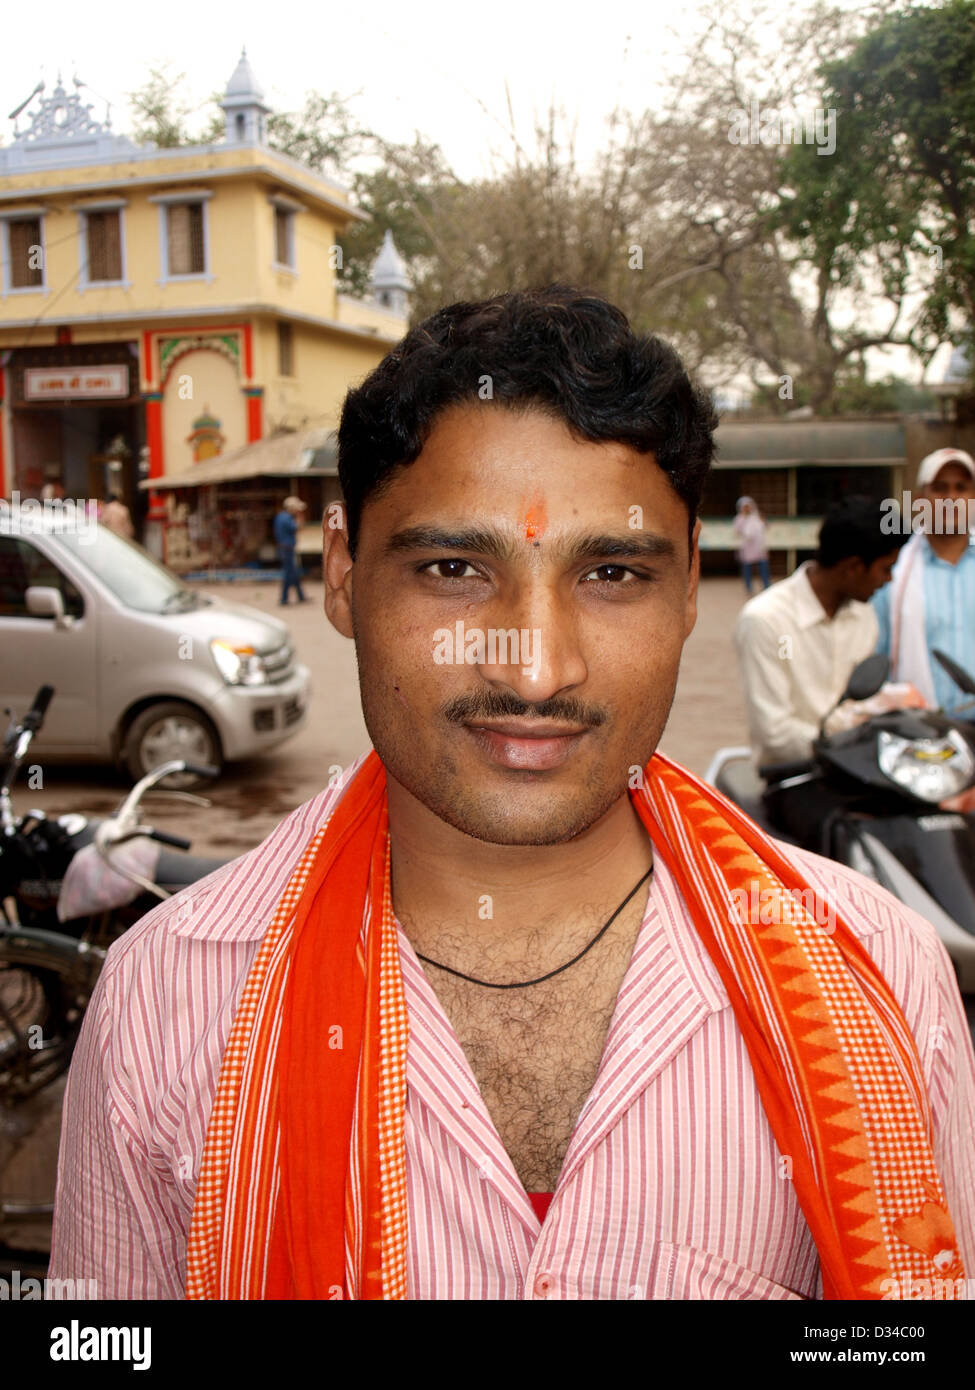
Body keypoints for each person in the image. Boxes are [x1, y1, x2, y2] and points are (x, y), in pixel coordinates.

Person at [50, 289, 974, 1301]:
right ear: (346, 569)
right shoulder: (164, 1005)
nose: (535, 669)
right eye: (453, 566)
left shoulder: (886, 983)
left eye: (612, 572)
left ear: (687, 591)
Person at [873, 448, 975, 714]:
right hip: (921, 731)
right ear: (920, 500)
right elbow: (877, 658)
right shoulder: (894, 574)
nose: (951, 498)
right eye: (940, 488)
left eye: (961, 488)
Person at [273, 495, 308, 605]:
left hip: (284, 548)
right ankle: (284, 599)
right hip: (287, 549)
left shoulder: (280, 517)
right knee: (290, 574)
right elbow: (298, 527)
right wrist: (300, 517)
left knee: (293, 573)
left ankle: (301, 596)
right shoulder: (287, 518)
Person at [732, 495, 770, 593]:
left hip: (759, 546)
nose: (747, 508)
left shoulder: (756, 516)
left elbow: (765, 526)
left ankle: (766, 586)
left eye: (748, 506)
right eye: (745, 507)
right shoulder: (739, 519)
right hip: (747, 547)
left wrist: (762, 520)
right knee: (747, 568)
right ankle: (748, 588)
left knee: (763, 567)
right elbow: (737, 531)